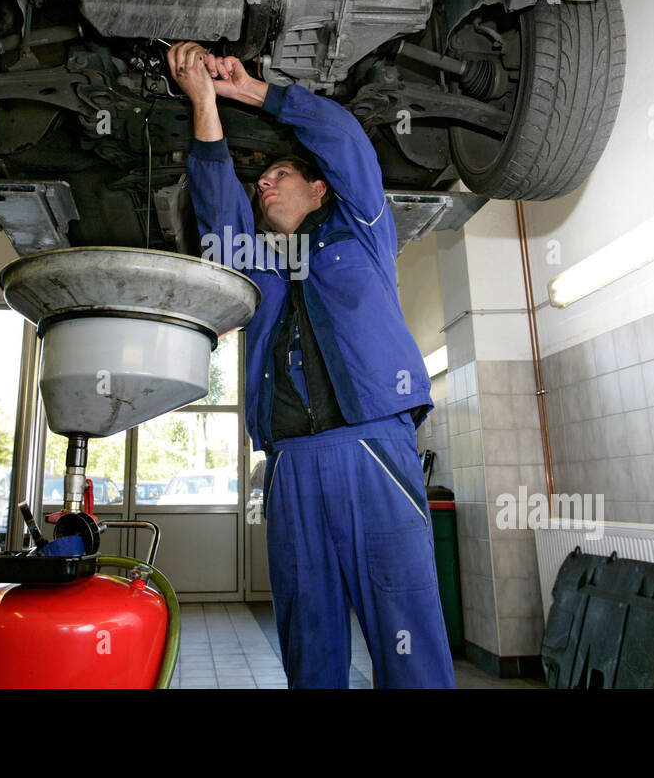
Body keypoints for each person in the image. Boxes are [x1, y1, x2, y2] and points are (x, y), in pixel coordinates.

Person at [172, 42, 456, 689]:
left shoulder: (362, 229)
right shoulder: (266, 270)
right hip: (292, 465)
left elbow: (345, 139)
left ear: (320, 186)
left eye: (281, 174)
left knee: (403, 626)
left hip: (373, 450)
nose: (265, 182)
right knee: (309, 634)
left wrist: (252, 91)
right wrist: (203, 103)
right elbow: (219, 214)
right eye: (262, 179)